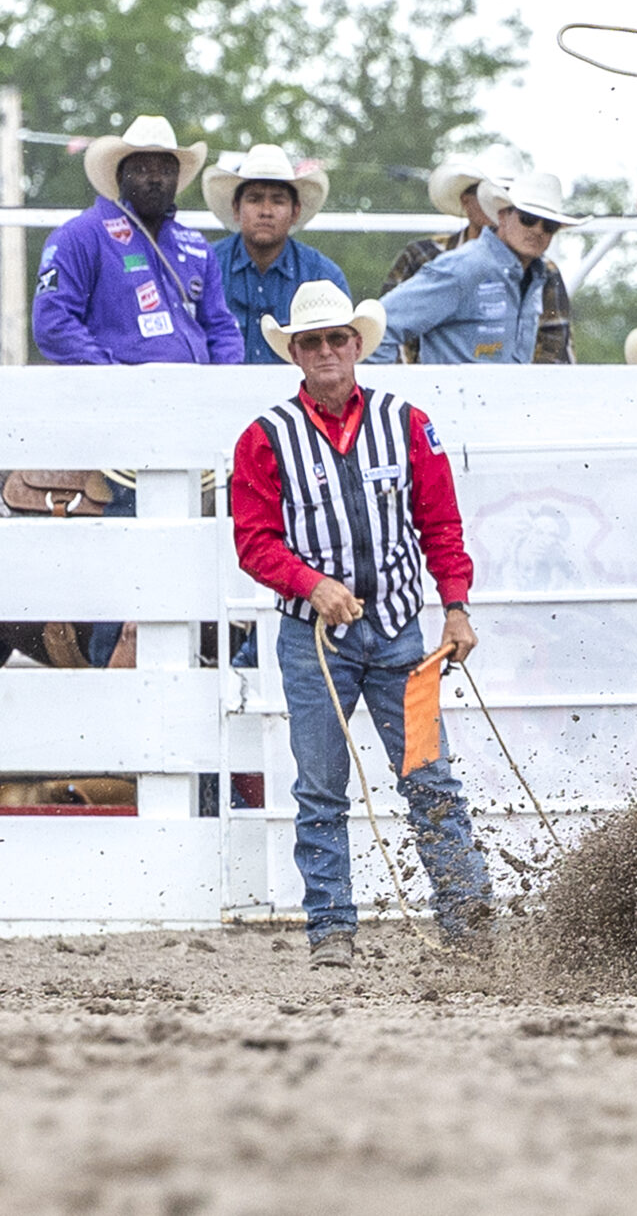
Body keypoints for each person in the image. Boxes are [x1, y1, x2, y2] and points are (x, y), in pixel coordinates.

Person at [228, 281, 492, 966]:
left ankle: (468, 917)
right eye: (311, 341)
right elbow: (254, 542)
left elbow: (441, 521)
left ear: (356, 345)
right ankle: (332, 928)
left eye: (335, 339)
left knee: (429, 776)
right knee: (320, 786)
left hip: (402, 633)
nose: (325, 351)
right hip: (314, 641)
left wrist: (456, 603)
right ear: (295, 351)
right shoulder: (264, 440)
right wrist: (311, 584)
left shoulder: (407, 423)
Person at [33, 114, 243, 367]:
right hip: (113, 395)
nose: (155, 179)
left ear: (177, 179)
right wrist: (112, 374)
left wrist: (223, 381)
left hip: (195, 395)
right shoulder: (80, 236)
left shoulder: (195, 245)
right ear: (121, 176)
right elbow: (53, 323)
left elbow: (221, 327)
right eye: (142, 169)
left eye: (166, 170)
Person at [384, 153, 576, 364]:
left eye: (549, 225)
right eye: (528, 219)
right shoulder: (463, 267)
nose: (538, 230)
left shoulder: (538, 275)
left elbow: (556, 349)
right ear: (502, 215)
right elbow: (380, 327)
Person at [207, 144, 347, 365]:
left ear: (295, 211)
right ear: (236, 208)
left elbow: (339, 355)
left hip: (299, 398)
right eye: (254, 199)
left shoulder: (322, 274)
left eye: (278, 200)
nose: (266, 211)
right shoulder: (206, 265)